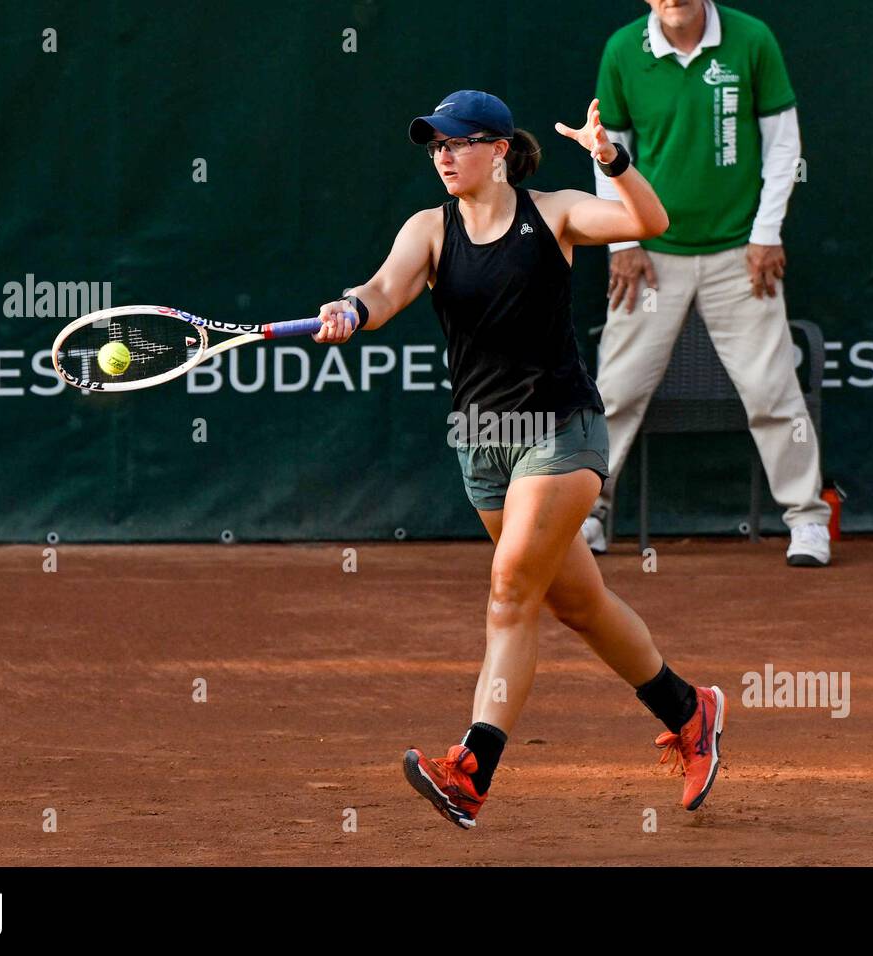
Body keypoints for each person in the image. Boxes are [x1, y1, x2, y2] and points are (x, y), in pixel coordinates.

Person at [311, 89, 726, 829]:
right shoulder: (428, 230)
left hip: (562, 430)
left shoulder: (556, 214)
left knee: (509, 591)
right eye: (434, 145)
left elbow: (649, 222)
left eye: (457, 142)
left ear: (498, 150)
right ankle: (690, 710)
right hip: (481, 446)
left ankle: (473, 768)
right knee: (579, 604)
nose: (442, 155)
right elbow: (382, 289)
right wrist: (351, 308)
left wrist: (611, 159)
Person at [582, 0, 833, 567]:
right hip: (651, 257)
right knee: (615, 392)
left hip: (740, 254)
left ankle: (807, 519)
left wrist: (766, 233)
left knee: (772, 390)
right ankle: (587, 516)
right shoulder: (624, 50)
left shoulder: (752, 39)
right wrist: (622, 241)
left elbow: (783, 145)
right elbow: (607, 154)